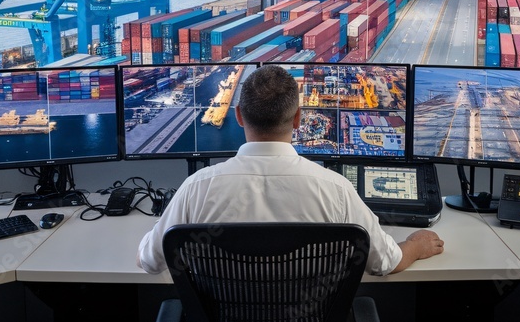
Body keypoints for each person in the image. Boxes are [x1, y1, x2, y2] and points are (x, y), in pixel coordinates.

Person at [137, 64, 445, 275]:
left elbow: (149, 261)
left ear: (240, 116)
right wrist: (415, 246)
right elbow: (386, 262)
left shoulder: (197, 188)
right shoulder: (335, 189)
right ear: (298, 119)